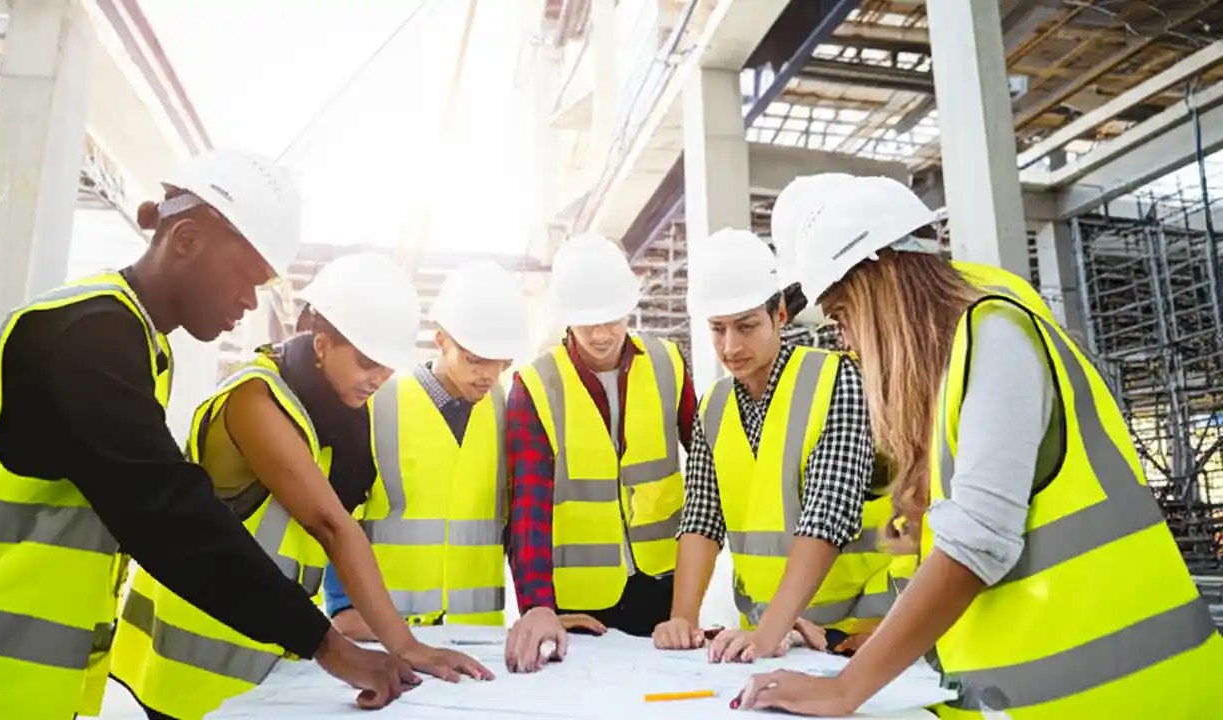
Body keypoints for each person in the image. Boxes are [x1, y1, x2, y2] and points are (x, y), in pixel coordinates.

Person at [0, 149, 410, 719]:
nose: (248, 301)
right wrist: (328, 646)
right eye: (247, 279)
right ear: (186, 239)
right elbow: (168, 515)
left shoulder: (132, 340)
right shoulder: (88, 338)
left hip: (11, 681)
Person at [734, 174, 1223, 717]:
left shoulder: (997, 335)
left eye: (843, 315)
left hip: (1133, 699)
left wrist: (845, 688)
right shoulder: (961, 361)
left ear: (881, 283)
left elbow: (977, 543)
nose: (845, 340)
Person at [110, 252, 494, 719]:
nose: (379, 379)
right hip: (192, 663)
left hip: (264, 653)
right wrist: (407, 646)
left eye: (388, 366)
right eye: (367, 361)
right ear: (321, 344)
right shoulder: (255, 399)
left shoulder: (333, 414)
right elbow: (331, 526)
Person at [653, 228, 888, 661]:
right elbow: (702, 518)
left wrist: (769, 631)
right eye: (718, 329)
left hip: (856, 635)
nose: (731, 346)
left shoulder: (836, 380)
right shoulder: (714, 406)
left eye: (746, 326)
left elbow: (828, 514)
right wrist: (682, 618)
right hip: (770, 636)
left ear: (780, 313)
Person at [503, 232, 696, 673]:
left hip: (665, 589)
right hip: (580, 605)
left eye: (611, 318)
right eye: (587, 320)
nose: (602, 333)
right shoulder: (535, 386)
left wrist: (692, 595)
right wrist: (538, 605)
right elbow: (529, 510)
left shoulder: (669, 364)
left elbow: (708, 470)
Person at [321, 260, 528, 635]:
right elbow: (336, 513)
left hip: (478, 637)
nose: (487, 373)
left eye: (499, 361)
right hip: (385, 633)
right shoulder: (379, 404)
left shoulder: (508, 411)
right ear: (441, 339)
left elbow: (521, 522)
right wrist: (342, 606)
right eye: (474, 358)